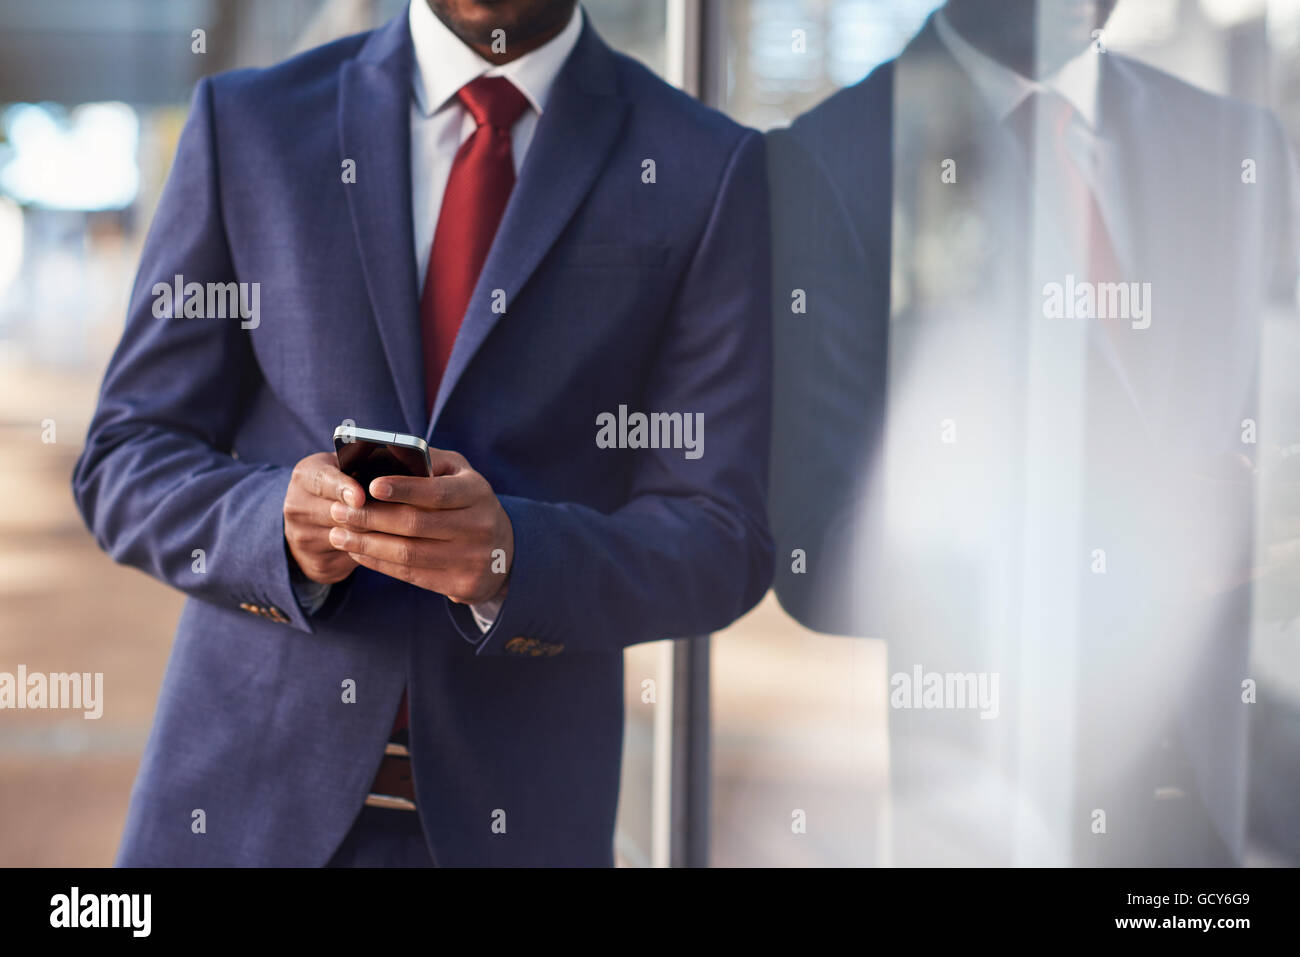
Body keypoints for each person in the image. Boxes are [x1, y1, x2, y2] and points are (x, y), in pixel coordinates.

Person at [73, 0, 772, 867]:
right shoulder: (246, 126)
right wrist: (272, 530)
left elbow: (723, 537)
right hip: (239, 812)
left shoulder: (707, 166)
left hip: (519, 825)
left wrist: (514, 557)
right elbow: (123, 456)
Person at [768, 0, 1298, 865]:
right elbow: (816, 558)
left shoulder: (1237, 145)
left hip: (1212, 806)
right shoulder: (829, 161)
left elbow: (1251, 449)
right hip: (994, 802)